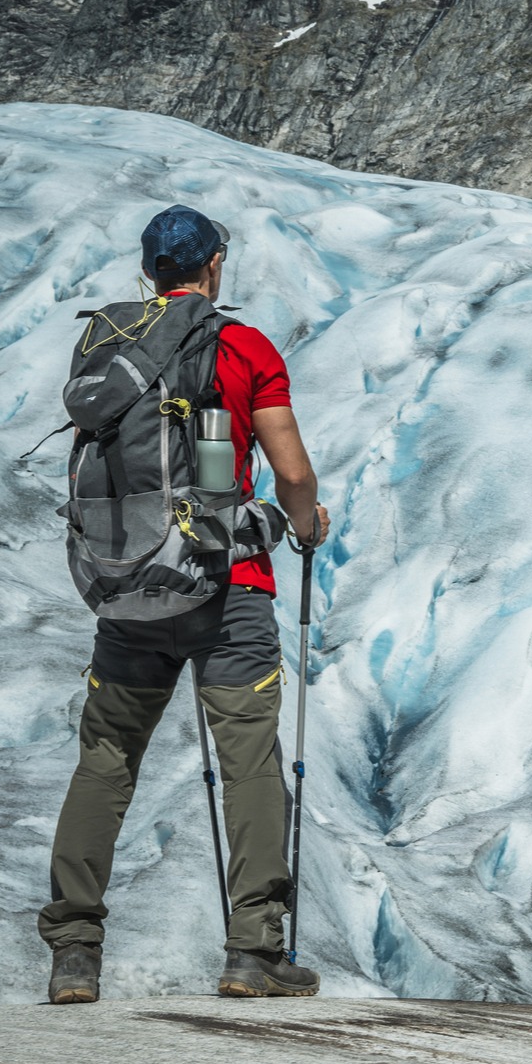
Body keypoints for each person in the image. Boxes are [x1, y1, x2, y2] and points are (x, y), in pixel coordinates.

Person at [39, 205, 331, 1003]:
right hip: (228, 587)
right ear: (214, 265)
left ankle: (73, 952)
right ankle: (252, 952)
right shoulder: (240, 346)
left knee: (106, 760)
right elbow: (292, 472)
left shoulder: (107, 344)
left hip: (129, 585)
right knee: (250, 763)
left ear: (148, 272)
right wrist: (305, 524)